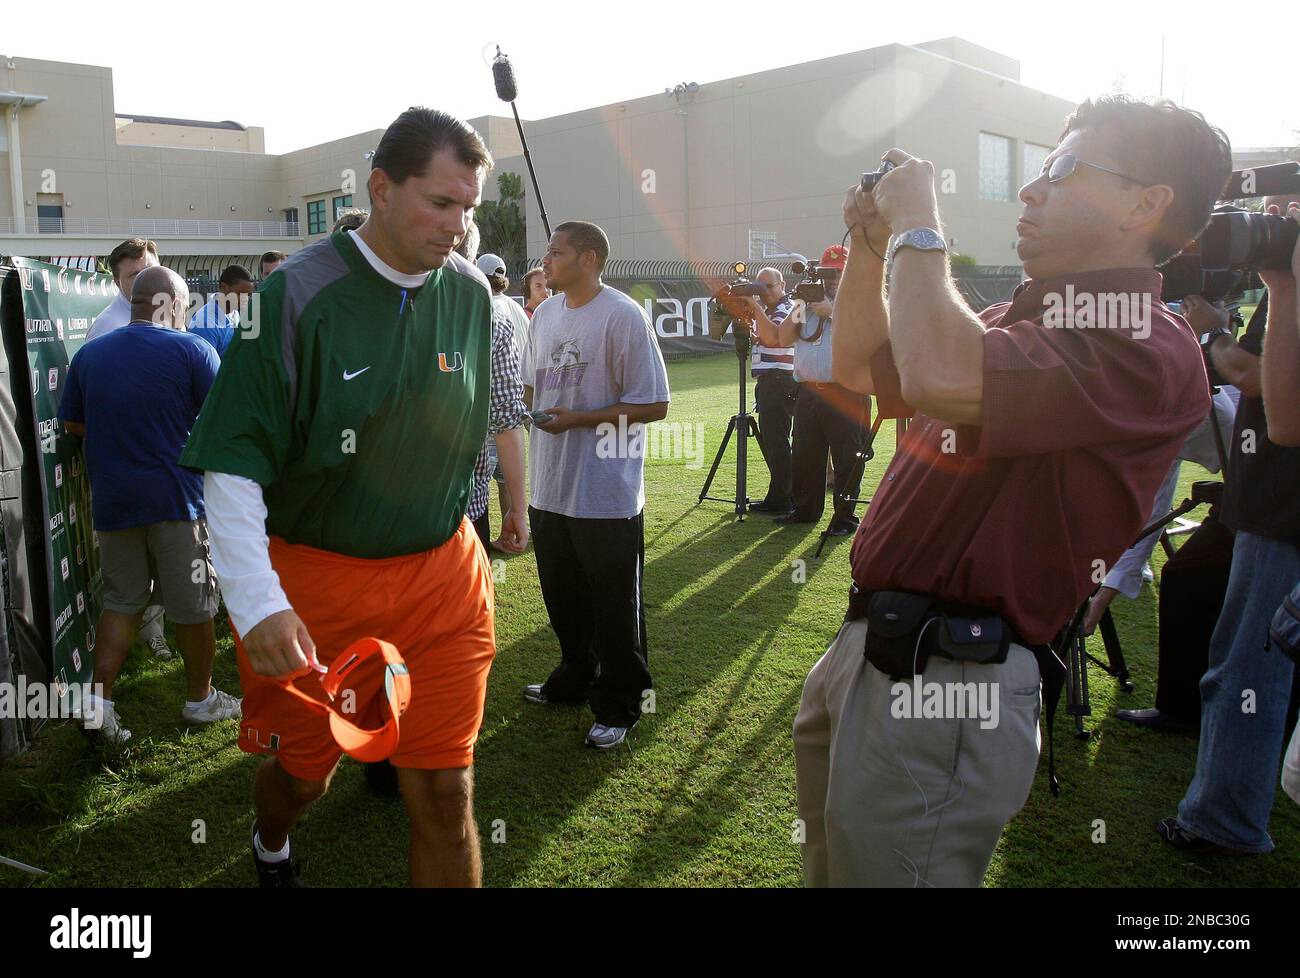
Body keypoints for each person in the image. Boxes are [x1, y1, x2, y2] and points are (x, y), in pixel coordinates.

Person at [796, 95, 1228, 886]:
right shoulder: (1005, 319)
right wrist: (870, 241)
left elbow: (937, 371)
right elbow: (861, 366)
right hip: (876, 652)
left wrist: (922, 222)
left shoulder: (1149, 344)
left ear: (1146, 204)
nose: (1031, 191)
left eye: (1063, 171)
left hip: (952, 680)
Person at [180, 107, 498, 887]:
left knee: (446, 789)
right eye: (441, 202)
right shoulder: (291, 295)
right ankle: (271, 839)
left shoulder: (470, 295)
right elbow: (232, 464)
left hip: (442, 582)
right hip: (316, 587)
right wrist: (255, 603)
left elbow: (463, 431)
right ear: (381, 189)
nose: (457, 226)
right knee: (304, 777)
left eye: (469, 208)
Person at [1157, 195, 1300, 854]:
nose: (1279, 214)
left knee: (1249, 667)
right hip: (1267, 497)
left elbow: (1273, 397)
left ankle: (1224, 821)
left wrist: (1217, 333)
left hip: (1283, 507)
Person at [59, 266, 237, 744]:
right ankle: (200, 699)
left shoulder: (90, 354)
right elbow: (223, 421)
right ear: (172, 305)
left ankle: (98, 703)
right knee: (195, 607)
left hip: (115, 499)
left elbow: (73, 426)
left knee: (121, 602)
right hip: (178, 500)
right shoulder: (192, 350)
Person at [521, 220, 670, 749]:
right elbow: (532, 384)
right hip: (549, 487)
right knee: (563, 599)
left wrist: (577, 420)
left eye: (556, 253)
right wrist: (532, 410)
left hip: (606, 493)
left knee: (613, 605)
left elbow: (655, 404)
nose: (545, 264)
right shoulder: (544, 315)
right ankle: (574, 678)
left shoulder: (623, 316)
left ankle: (621, 703)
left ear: (589, 259)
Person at [86, 237, 173, 659]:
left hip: (168, 468)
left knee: (163, 558)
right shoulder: (106, 329)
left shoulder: (172, 316)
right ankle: (145, 634)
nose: (146, 280)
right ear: (118, 279)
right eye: (135, 275)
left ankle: (154, 630)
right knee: (132, 567)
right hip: (130, 471)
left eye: (151, 270)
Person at [767, 246, 870, 536]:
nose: (832, 280)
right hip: (809, 392)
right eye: (828, 273)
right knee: (805, 455)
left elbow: (867, 340)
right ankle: (805, 511)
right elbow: (783, 338)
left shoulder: (862, 301)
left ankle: (845, 519)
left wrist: (833, 312)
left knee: (848, 458)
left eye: (838, 273)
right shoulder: (807, 302)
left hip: (847, 391)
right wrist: (800, 303)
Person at [472, 253, 530, 550]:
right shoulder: (513, 309)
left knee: (495, 476)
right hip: (509, 403)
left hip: (497, 407)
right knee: (503, 479)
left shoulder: (490, 311)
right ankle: (513, 519)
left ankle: (511, 523)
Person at [740, 268, 797, 514]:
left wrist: (754, 306)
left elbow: (774, 338)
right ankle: (783, 494)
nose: (765, 293)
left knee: (777, 443)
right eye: (760, 288)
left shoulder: (788, 308)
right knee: (775, 441)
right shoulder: (769, 310)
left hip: (779, 381)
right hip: (771, 381)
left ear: (782, 284)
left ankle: (782, 498)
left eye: (770, 287)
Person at [188, 264, 254, 358]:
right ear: (224, 287)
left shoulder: (234, 312)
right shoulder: (205, 323)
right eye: (240, 293)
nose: (245, 299)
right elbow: (205, 368)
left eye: (249, 295)